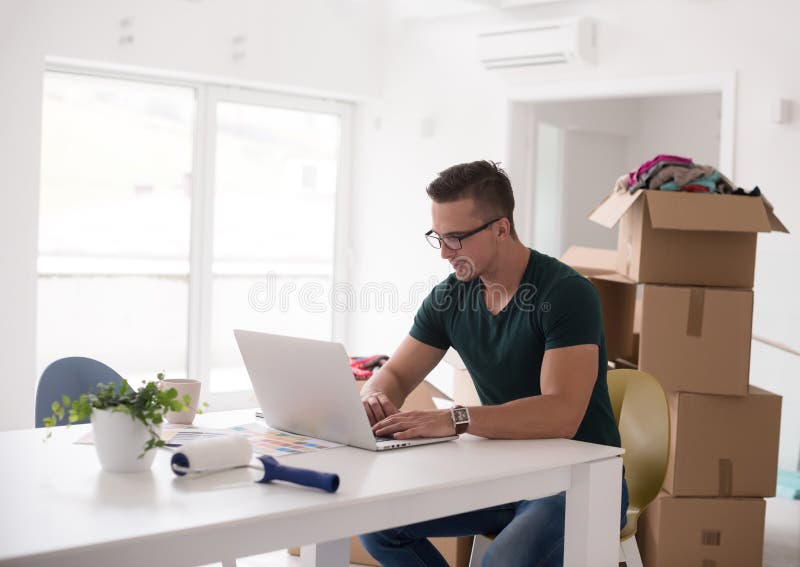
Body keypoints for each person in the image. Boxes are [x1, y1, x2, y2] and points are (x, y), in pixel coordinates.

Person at [357, 160, 628, 567]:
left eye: (456, 238)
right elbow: (395, 373)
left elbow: (561, 414)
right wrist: (375, 395)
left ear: (501, 229)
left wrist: (456, 419)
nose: (445, 253)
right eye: (438, 237)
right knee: (378, 524)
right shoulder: (450, 297)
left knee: (501, 562)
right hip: (500, 477)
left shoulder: (568, 293)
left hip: (581, 481)